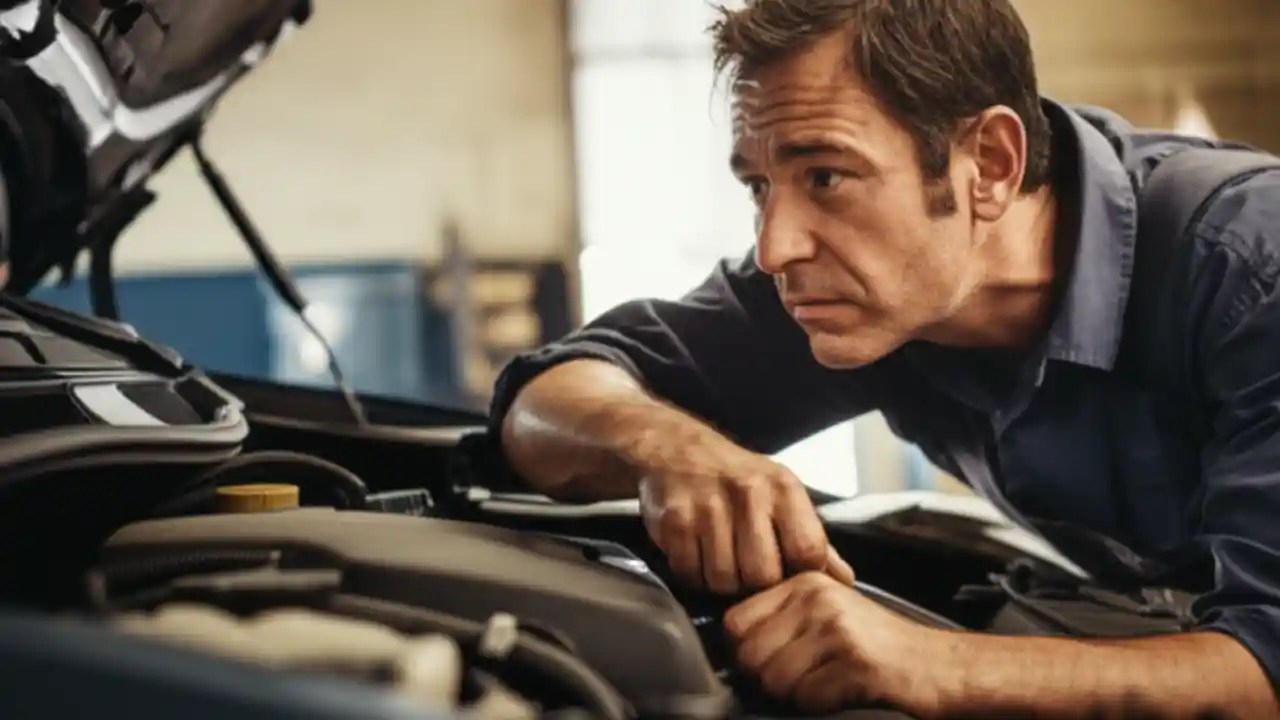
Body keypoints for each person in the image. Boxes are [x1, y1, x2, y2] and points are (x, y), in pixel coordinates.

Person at [489, 0, 1280, 716]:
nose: (775, 248)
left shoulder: (1251, 269)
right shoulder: (854, 288)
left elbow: (1266, 668)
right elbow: (543, 396)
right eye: (760, 187)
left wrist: (931, 663)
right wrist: (672, 450)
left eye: (826, 176)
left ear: (990, 164)